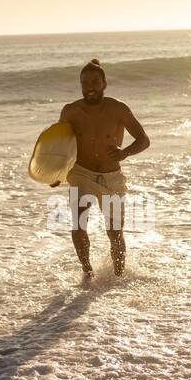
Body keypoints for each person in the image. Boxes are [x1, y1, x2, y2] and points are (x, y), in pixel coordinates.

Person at [56, 58, 149, 280]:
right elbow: (58, 146)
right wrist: (55, 174)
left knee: (115, 232)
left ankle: (117, 278)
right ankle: (87, 273)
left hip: (112, 178)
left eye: (95, 82)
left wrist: (124, 152)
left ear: (104, 83)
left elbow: (144, 140)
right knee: (78, 225)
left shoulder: (118, 109)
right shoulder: (71, 111)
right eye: (84, 82)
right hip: (81, 173)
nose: (89, 87)